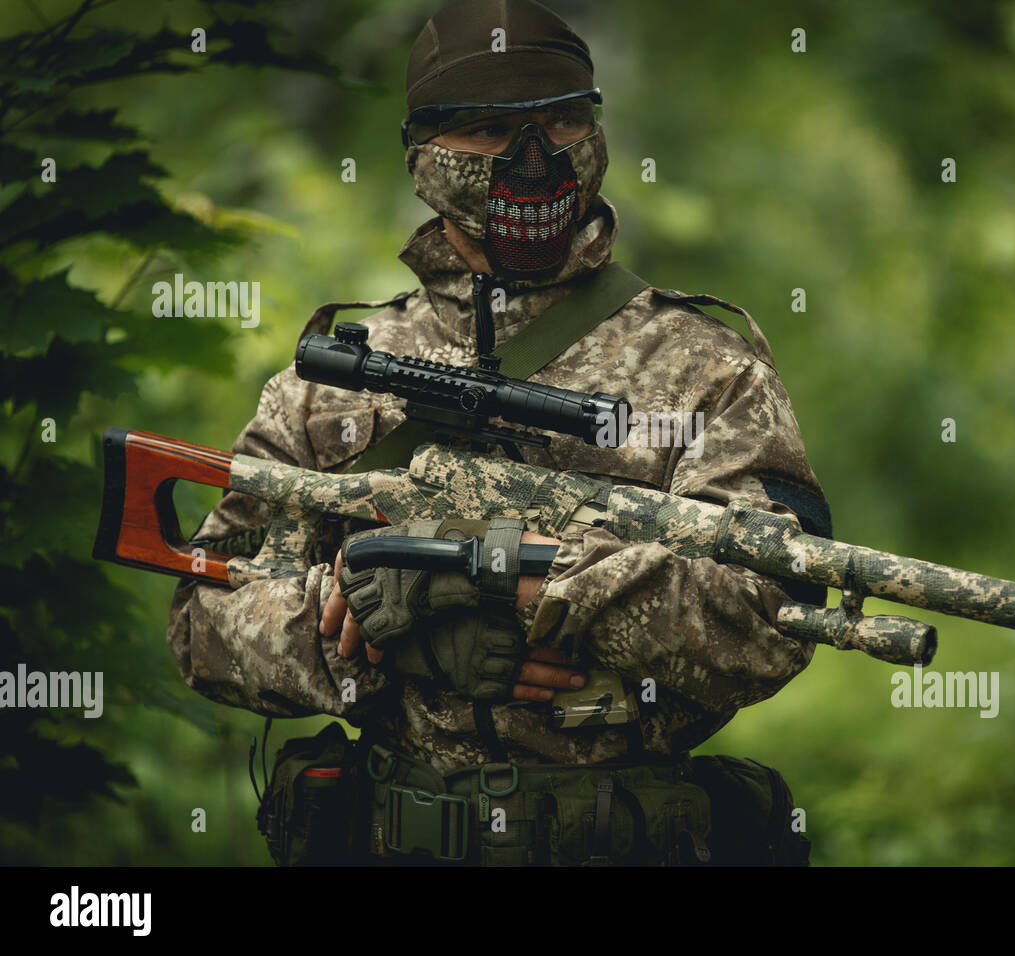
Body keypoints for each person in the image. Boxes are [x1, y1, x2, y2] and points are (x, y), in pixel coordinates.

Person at [167, 0, 831, 866]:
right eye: (488, 129)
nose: (534, 158)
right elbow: (204, 623)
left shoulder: (705, 369)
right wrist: (388, 631)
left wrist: (529, 586)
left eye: (561, 120)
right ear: (424, 161)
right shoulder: (329, 381)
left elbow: (773, 617)